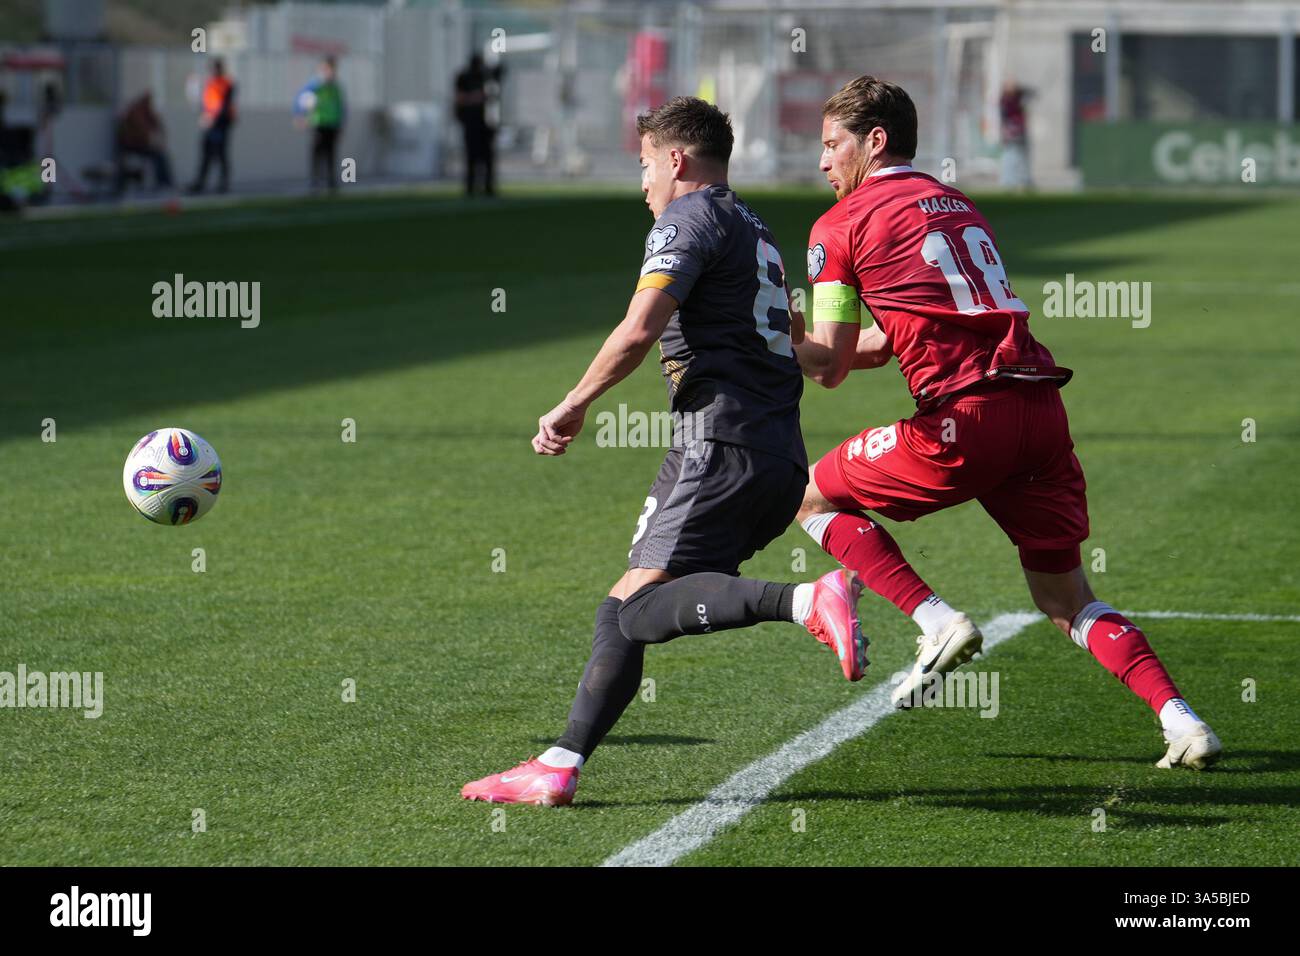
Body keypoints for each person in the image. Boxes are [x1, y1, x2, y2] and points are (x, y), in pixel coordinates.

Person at [792, 76, 1220, 770]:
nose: (822, 162)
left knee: (806, 492)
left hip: (967, 419)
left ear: (874, 140)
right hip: (1038, 409)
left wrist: (778, 343)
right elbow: (892, 338)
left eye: (831, 144)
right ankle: (1183, 720)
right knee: (1064, 594)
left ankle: (936, 621)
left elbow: (830, 366)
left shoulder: (838, 224)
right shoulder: (956, 201)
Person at [461, 97, 868, 807]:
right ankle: (559, 764)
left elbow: (639, 328)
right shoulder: (753, 225)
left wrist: (574, 402)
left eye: (645, 164)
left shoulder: (688, 217)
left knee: (636, 611)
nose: (642, 182)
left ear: (676, 160)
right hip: (773, 454)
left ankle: (808, 597)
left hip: (721, 443)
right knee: (625, 604)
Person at [453, 54, 500, 196]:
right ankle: (470, 188)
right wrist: (478, 97)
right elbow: (460, 99)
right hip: (471, 124)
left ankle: (488, 187)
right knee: (472, 157)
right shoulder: (464, 78)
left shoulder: (485, 77)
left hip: (485, 124)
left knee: (487, 157)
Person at [295, 56, 344, 192]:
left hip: (332, 124)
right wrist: (300, 115)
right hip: (318, 123)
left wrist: (341, 124)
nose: (330, 72)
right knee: (317, 152)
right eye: (327, 69)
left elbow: (340, 106)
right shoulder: (315, 85)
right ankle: (315, 179)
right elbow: (301, 99)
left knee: (331, 153)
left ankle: (331, 180)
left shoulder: (335, 87)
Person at [187, 58, 236, 194]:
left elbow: (224, 105)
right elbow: (206, 102)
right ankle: (200, 183)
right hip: (210, 123)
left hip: (221, 124)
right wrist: (205, 116)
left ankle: (223, 184)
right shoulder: (210, 83)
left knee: (220, 153)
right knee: (206, 153)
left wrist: (212, 118)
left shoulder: (227, 84)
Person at [114, 91, 173, 194]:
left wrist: (160, 135)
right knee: (157, 155)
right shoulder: (135, 112)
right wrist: (152, 143)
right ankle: (164, 184)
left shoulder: (147, 112)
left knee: (160, 155)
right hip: (131, 146)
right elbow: (141, 133)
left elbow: (158, 125)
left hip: (141, 145)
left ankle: (165, 183)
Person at [999, 82, 1032, 190]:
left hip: (1019, 134)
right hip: (1011, 134)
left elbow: (1029, 92)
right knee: (1010, 157)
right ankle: (1009, 181)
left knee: (1022, 158)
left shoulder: (1017, 99)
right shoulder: (1007, 102)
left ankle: (1024, 180)